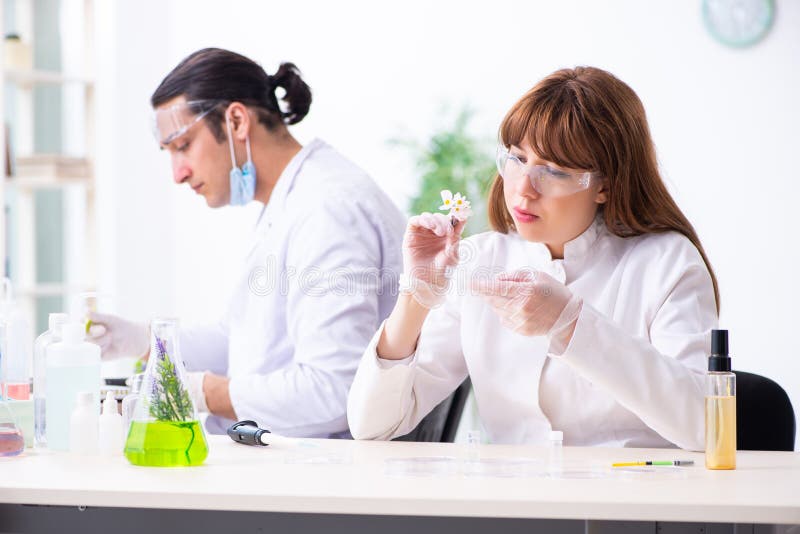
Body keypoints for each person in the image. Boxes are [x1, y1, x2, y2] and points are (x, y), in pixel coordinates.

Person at [347, 66, 719, 450]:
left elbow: (706, 426)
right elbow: (372, 425)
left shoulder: (666, 263)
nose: (523, 189)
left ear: (604, 185)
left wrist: (571, 323)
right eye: (517, 158)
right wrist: (416, 295)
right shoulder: (479, 259)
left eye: (553, 171)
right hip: (513, 502)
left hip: (630, 501)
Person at [89, 48, 405, 437]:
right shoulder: (291, 201)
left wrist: (200, 393)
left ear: (237, 120)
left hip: (314, 477)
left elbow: (334, 393)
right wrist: (140, 340)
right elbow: (241, 343)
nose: (178, 174)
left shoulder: (327, 210)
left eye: (184, 145)